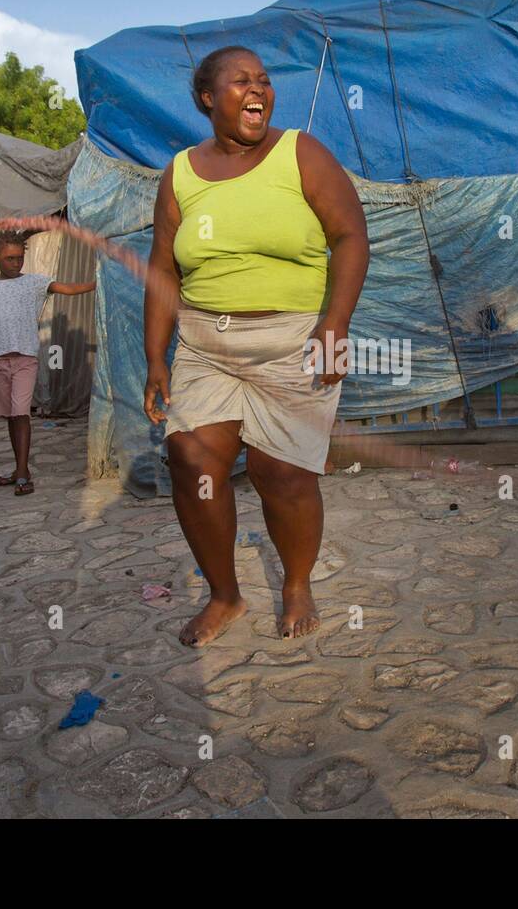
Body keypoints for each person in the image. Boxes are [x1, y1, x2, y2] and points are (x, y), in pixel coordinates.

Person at [144, 45, 369, 647]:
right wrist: (154, 360)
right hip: (203, 341)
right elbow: (163, 269)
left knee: (282, 474)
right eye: (241, 81)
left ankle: (296, 583)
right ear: (207, 98)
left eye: (265, 81)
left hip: (293, 338)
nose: (258, 90)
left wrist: (336, 322)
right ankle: (226, 595)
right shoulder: (181, 173)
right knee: (191, 462)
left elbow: (350, 236)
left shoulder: (300, 153)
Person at [0, 231, 96, 495]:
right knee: (11, 415)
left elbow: (68, 289)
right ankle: (21, 468)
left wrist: (99, 282)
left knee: (21, 412)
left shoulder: (34, 283)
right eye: (9, 258)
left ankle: (22, 472)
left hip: (25, 360)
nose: (15, 263)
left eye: (19, 258)